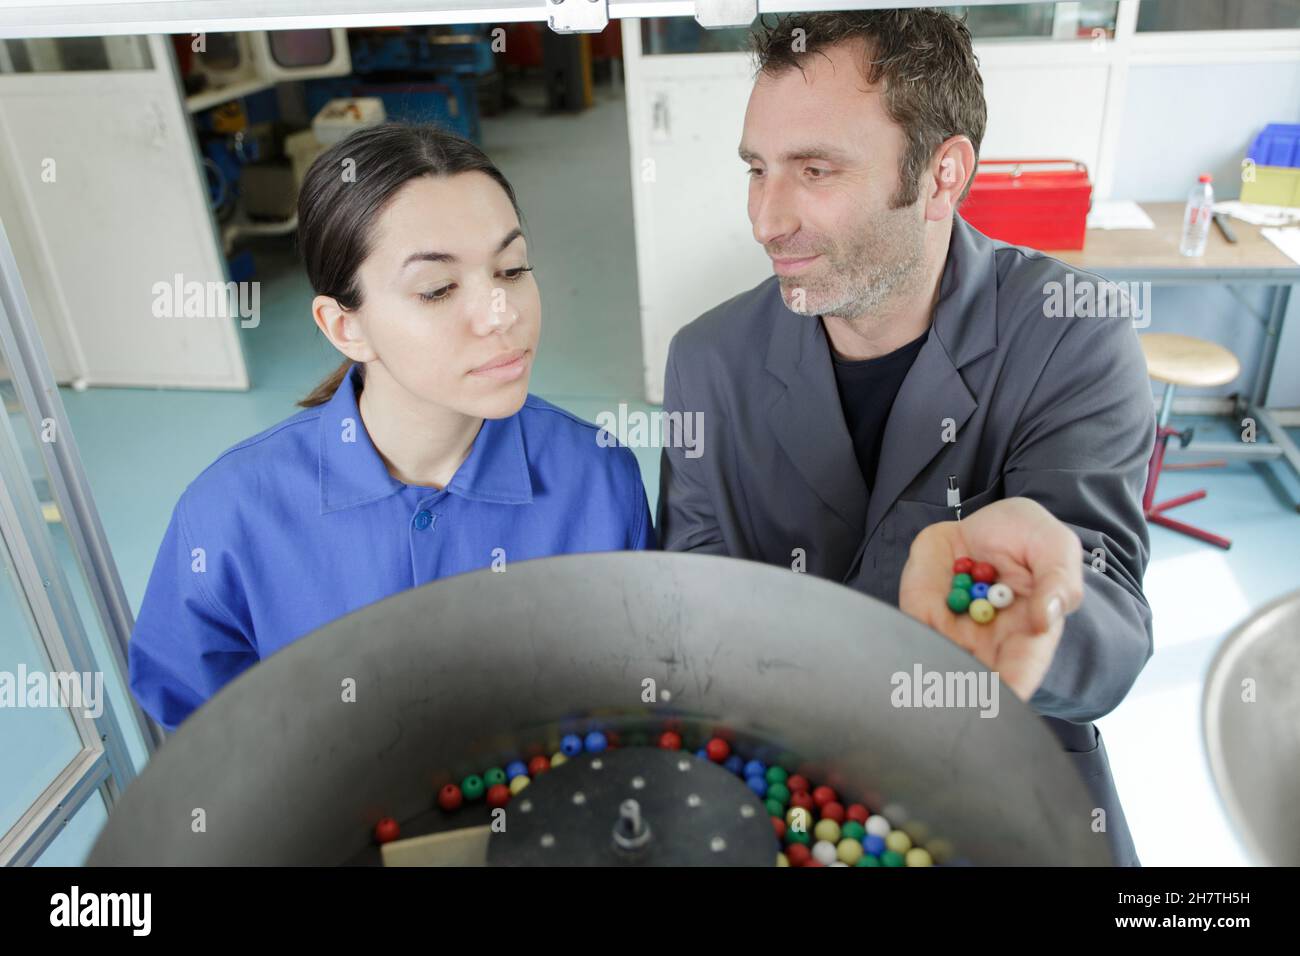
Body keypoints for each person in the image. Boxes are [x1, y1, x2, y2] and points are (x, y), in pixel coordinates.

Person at [656, 10, 1154, 866]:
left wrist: (1032, 601)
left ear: (940, 175)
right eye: (757, 170)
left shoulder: (1071, 336)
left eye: (815, 170)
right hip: (790, 781)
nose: (766, 220)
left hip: (995, 778)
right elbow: (694, 614)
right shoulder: (708, 362)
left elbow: (1110, 644)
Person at [130, 122, 653, 732]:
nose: (501, 313)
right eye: (437, 288)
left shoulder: (598, 477)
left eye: (511, 269)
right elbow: (197, 740)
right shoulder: (229, 517)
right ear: (344, 326)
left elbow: (631, 695)